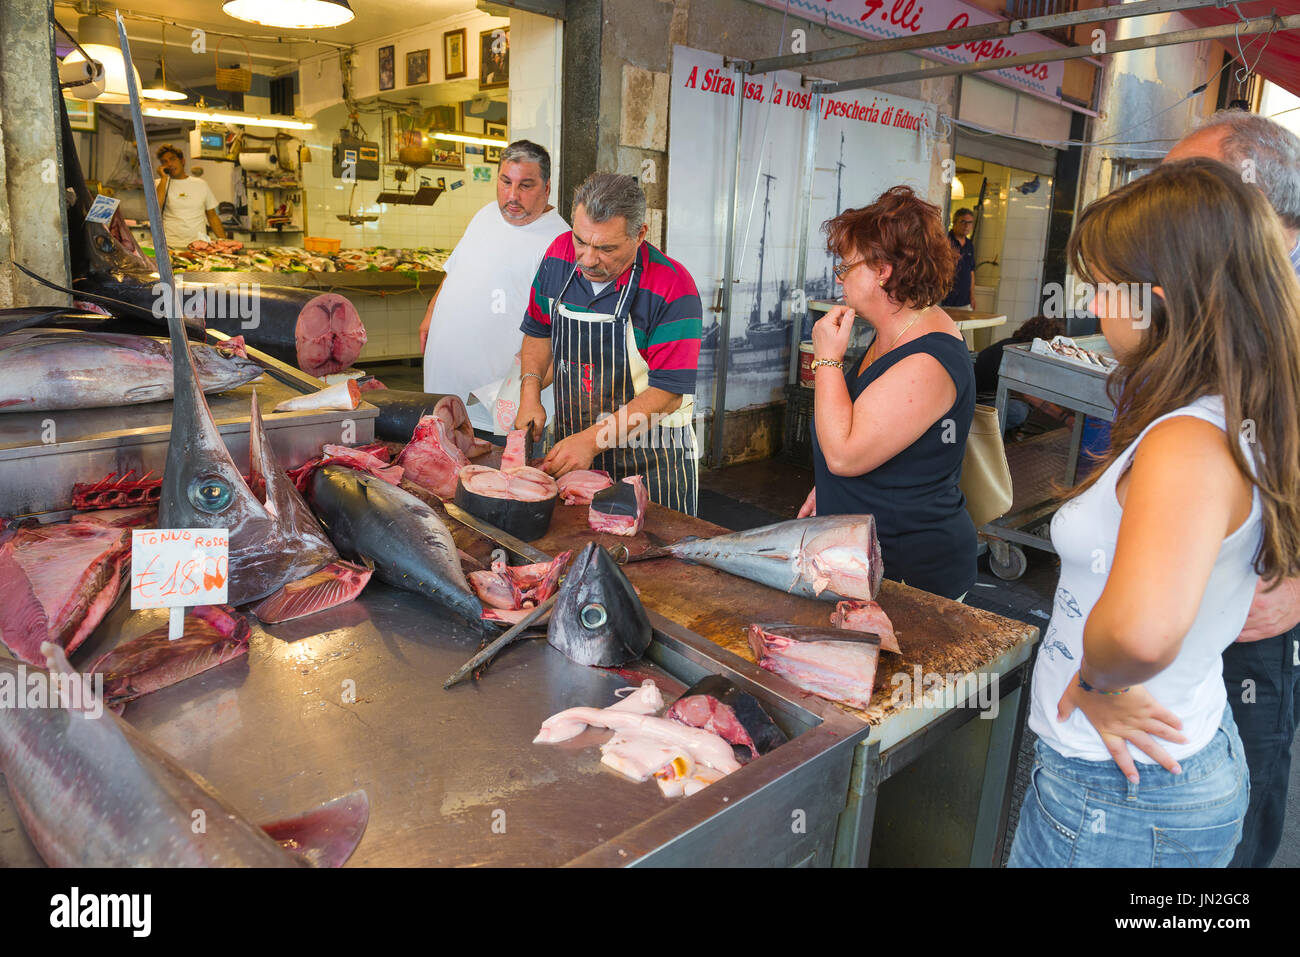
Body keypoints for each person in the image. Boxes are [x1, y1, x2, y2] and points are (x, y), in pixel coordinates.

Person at [1007, 158, 1300, 867]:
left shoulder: (1189, 442)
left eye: (1106, 287)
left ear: (1157, 301)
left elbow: (1140, 632)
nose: (1097, 304)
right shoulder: (1240, 410)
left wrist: (1096, 681)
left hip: (1117, 794)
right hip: (1162, 763)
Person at [1164, 110, 1300, 868]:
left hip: (1261, 616)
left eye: (1190, 187)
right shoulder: (1202, 288)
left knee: (1239, 812)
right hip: (1186, 604)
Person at [798, 186, 976, 601]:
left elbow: (844, 454)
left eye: (845, 267)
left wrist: (826, 359)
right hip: (861, 557)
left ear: (882, 270)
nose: (838, 278)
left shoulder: (928, 359)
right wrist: (828, 488)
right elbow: (867, 428)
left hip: (909, 573)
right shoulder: (891, 332)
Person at [514, 172, 702, 515]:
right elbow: (539, 330)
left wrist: (592, 440)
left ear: (640, 234)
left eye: (606, 248)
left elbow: (669, 393)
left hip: (650, 461)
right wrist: (529, 393)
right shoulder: (558, 255)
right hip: (574, 452)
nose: (586, 259)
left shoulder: (672, 286)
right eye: (581, 241)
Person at [420, 140, 569, 398]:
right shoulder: (486, 214)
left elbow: (564, 335)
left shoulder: (561, 242)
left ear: (546, 188)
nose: (512, 195)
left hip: (496, 402)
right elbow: (454, 269)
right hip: (444, 386)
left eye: (525, 185)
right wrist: (432, 312)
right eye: (505, 182)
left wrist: (526, 394)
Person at [973, 315, 1071, 435]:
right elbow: (1029, 394)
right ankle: (978, 435)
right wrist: (1065, 418)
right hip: (975, 400)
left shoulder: (1016, 345)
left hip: (984, 394)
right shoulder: (1017, 352)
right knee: (1017, 411)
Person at [154, 144, 224, 248]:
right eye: (164, 162)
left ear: (182, 161)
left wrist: (224, 241)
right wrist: (164, 179)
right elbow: (155, 209)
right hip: (170, 245)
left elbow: (212, 216)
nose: (169, 164)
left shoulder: (201, 184)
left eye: (172, 159)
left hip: (200, 244)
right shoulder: (159, 184)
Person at [940, 207, 976, 310]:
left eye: (970, 223)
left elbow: (971, 272)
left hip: (965, 301)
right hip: (947, 300)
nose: (966, 226)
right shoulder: (946, 241)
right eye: (963, 222)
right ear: (955, 222)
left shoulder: (969, 245)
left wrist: (972, 296)